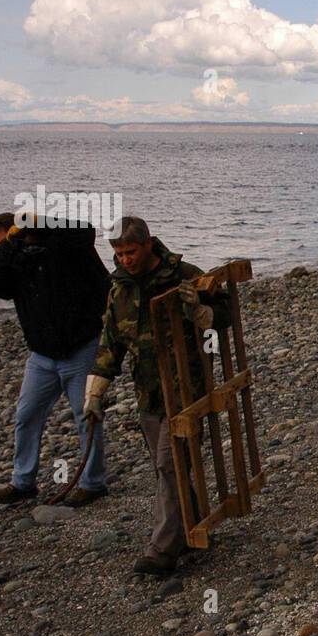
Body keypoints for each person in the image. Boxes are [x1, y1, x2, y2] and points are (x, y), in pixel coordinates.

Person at [82, 216, 231, 575]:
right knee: (166, 467)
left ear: (149, 244)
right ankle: (193, 524)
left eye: (130, 252)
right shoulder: (119, 288)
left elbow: (225, 313)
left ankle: (162, 549)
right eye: (118, 253)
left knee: (169, 465)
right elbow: (111, 341)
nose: (124, 260)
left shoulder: (183, 274)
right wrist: (96, 391)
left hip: (185, 389)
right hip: (147, 391)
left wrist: (199, 310)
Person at [0, 211, 110, 506]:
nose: (4, 247)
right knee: (26, 416)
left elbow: (85, 231)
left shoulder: (63, 244)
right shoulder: (15, 262)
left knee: (86, 416)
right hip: (41, 356)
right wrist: (11, 246)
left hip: (80, 347)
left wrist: (40, 223)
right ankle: (23, 482)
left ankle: (93, 483)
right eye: (1, 244)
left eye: (7, 239)